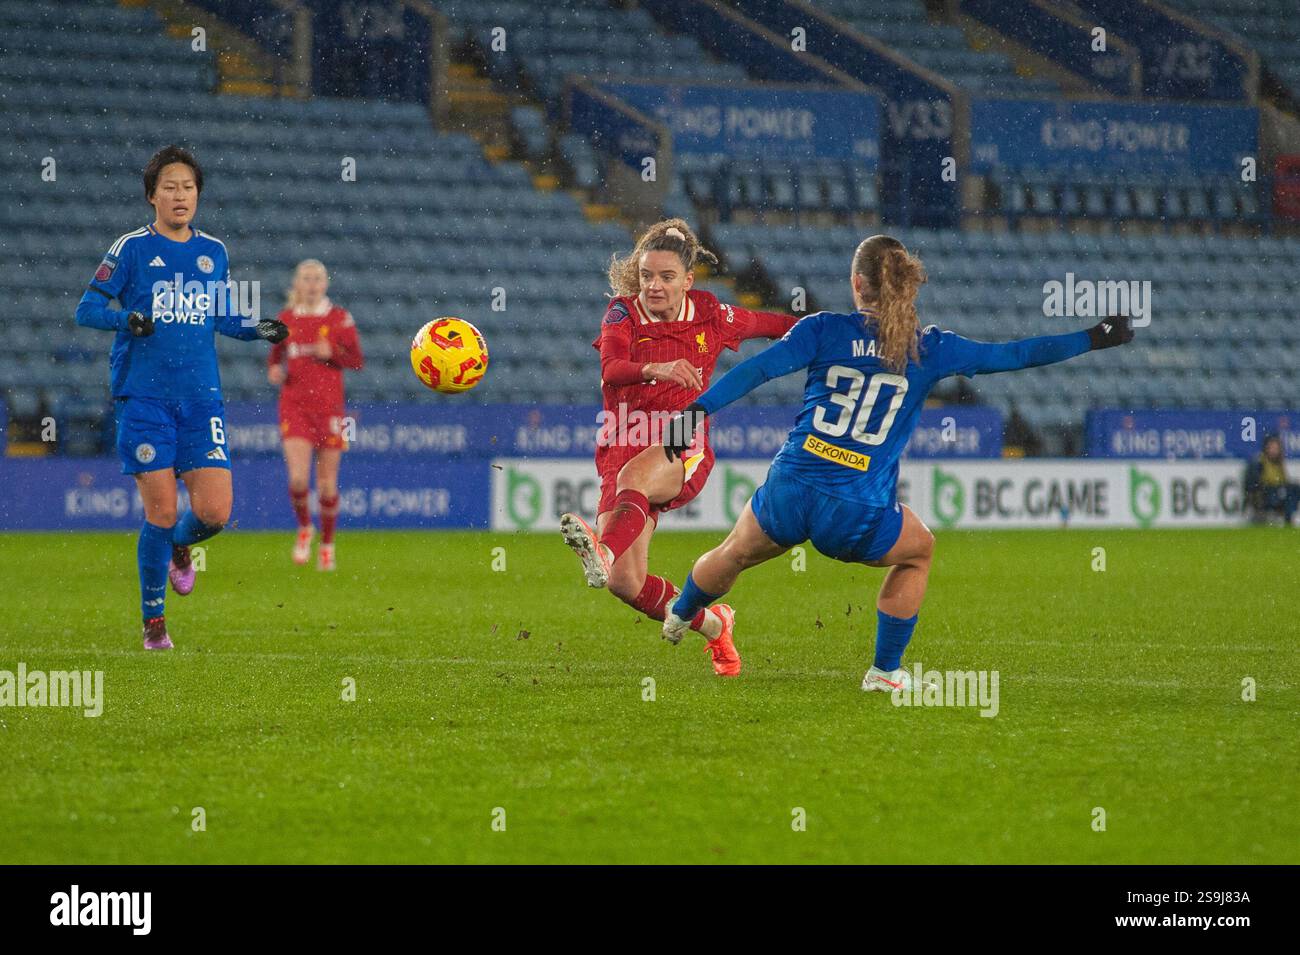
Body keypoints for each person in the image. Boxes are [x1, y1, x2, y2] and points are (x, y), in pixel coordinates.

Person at [659, 235, 1135, 685]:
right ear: (906, 286)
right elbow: (1017, 354)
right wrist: (1094, 337)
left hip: (793, 485)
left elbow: (758, 369)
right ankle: (885, 672)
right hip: (856, 507)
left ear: (856, 284)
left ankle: (683, 612)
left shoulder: (823, 330)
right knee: (918, 550)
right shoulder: (929, 347)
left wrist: (697, 412)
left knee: (735, 552)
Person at [559, 219, 799, 675]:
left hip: (681, 442)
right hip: (622, 445)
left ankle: (601, 550)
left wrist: (835, 335)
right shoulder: (621, 314)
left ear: (688, 280)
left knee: (632, 490)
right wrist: (659, 369)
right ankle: (714, 625)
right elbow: (611, 369)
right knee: (625, 584)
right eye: (647, 275)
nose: (654, 285)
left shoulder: (712, 314)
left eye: (667, 277)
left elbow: (778, 324)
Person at [74, 145, 288, 650]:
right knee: (162, 512)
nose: (179, 195)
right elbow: (87, 309)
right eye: (169, 187)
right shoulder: (129, 248)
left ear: (198, 196)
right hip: (144, 400)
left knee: (214, 513)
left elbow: (223, 318)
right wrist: (125, 319)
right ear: (152, 196)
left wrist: (259, 328)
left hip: (200, 400)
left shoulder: (213, 251)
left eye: (188, 188)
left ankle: (177, 550)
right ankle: (154, 624)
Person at [267, 259, 365, 569]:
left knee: (326, 485)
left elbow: (357, 361)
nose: (311, 284)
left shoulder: (340, 318)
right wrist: (274, 371)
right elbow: (274, 357)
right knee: (298, 480)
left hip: (331, 408)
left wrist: (333, 353)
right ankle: (305, 527)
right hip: (294, 404)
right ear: (297, 284)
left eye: (317, 279)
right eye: (306, 279)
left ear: (325, 284)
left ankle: (327, 545)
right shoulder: (284, 319)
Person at [1245, 434, 1299, 525]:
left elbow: (1283, 480)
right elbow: (1254, 482)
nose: (1274, 450)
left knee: (1293, 489)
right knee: (1285, 492)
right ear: (1266, 448)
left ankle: (1289, 516)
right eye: (1272, 447)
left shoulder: (1279, 463)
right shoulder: (1260, 462)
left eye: (1276, 448)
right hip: (1267, 492)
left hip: (1279, 490)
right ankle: (1287, 517)